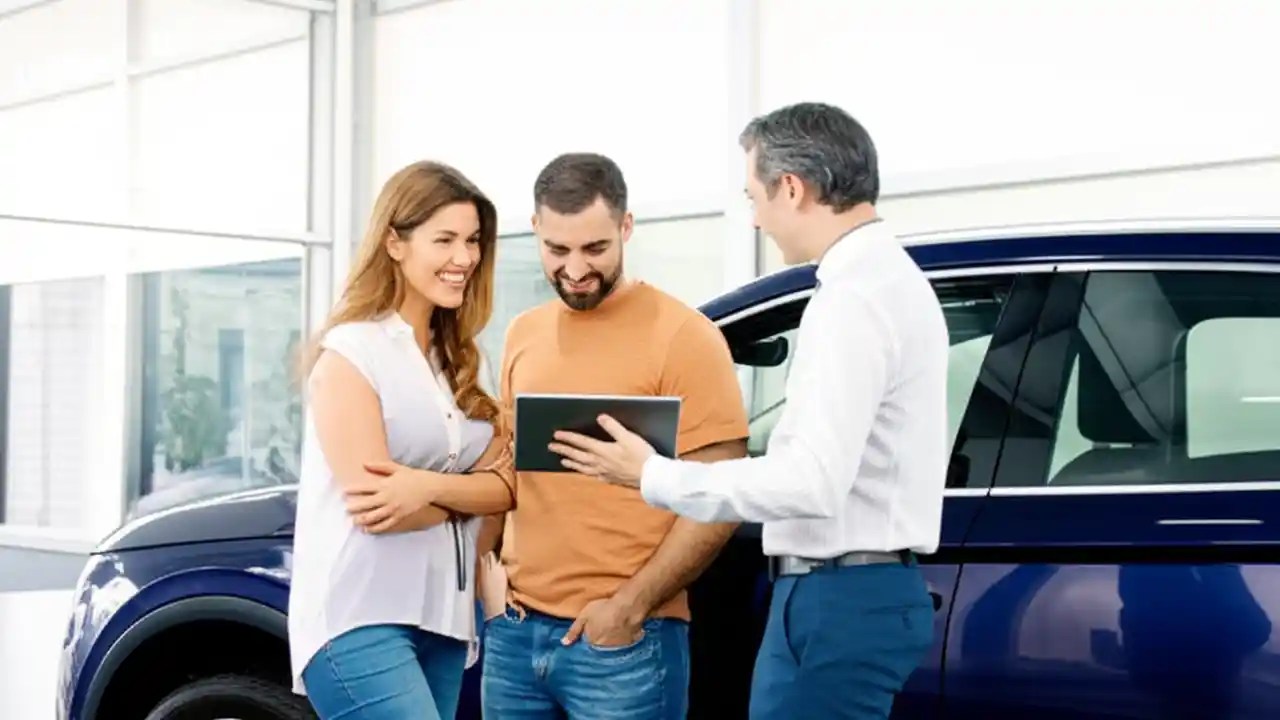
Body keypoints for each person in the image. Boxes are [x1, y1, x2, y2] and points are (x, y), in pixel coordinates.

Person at [549, 102, 949, 720]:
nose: (757, 220)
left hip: (837, 596)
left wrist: (652, 474)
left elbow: (810, 480)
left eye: (754, 197)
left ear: (793, 188)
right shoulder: (891, 282)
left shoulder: (852, 301)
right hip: (853, 592)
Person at [479, 152, 750, 719]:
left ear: (626, 228)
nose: (575, 269)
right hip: (514, 634)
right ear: (535, 231)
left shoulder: (684, 336)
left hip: (626, 640)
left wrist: (630, 606)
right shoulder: (523, 334)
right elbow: (505, 469)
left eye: (595, 249)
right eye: (557, 250)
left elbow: (721, 497)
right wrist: (487, 588)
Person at [287, 160, 516, 720]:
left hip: (444, 618)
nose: (464, 258)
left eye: (473, 241)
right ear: (394, 242)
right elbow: (383, 509)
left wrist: (425, 487)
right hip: (358, 617)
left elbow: (511, 488)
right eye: (445, 240)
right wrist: (469, 490)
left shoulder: (453, 360)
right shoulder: (352, 354)